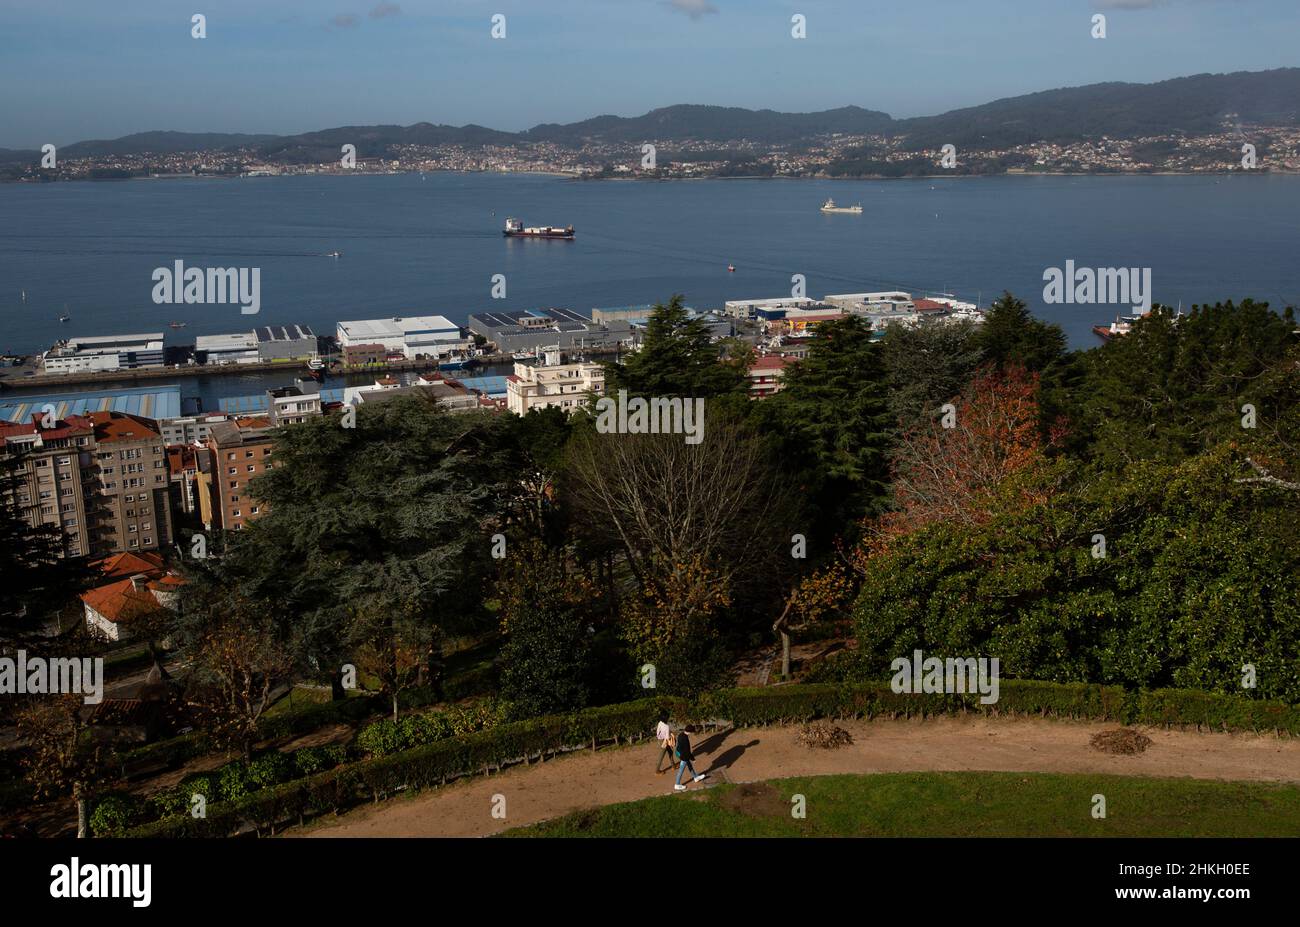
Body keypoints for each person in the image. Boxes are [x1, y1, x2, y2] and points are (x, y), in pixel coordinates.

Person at [672, 726, 707, 791]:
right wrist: (693, 759)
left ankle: (696, 777)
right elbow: (687, 751)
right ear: (690, 732)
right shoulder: (685, 739)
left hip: (679, 753)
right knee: (681, 770)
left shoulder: (681, 734)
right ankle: (677, 784)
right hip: (684, 756)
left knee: (689, 765)